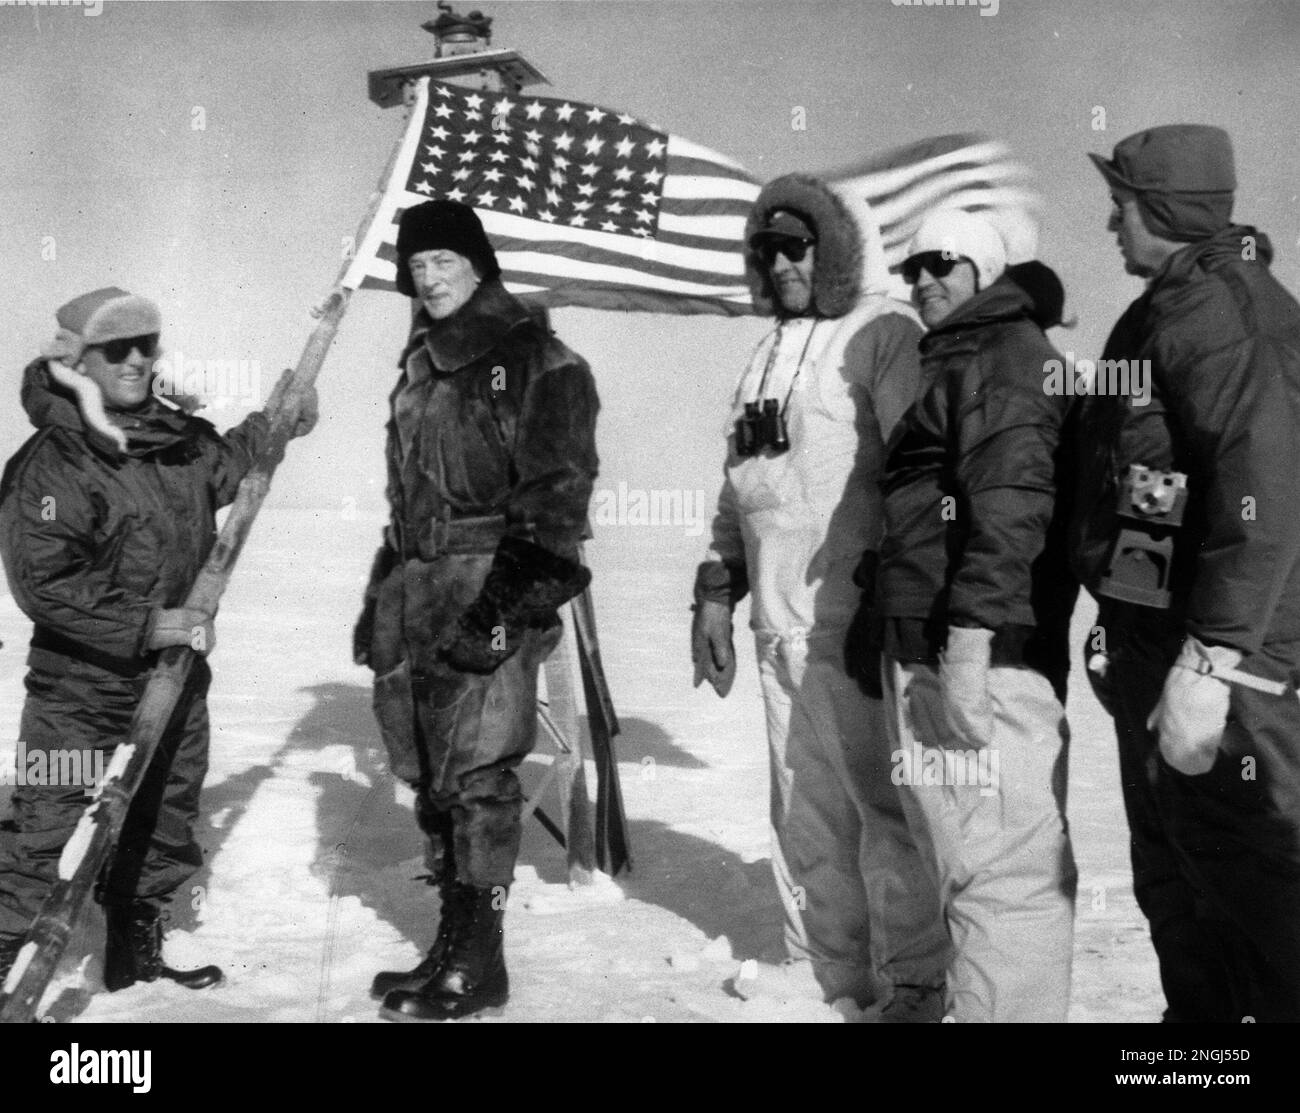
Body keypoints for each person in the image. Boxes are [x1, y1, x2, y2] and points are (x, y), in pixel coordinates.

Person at [0, 286, 316, 992]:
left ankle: (133, 954)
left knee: (163, 812)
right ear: (79, 359)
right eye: (119, 348)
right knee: (43, 830)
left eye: (148, 343)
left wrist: (281, 422)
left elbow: (229, 462)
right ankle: (1, 959)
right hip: (78, 688)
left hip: (174, 678)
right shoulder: (54, 462)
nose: (139, 359)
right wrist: (144, 623)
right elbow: (44, 582)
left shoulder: (175, 439)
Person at [692, 173, 947, 1014]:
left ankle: (913, 982)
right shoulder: (762, 354)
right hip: (778, 628)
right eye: (766, 250)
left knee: (885, 810)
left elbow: (925, 464)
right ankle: (832, 978)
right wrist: (714, 592)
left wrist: (897, 588)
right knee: (805, 813)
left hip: (857, 622)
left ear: (831, 249)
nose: (781, 263)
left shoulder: (882, 334)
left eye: (796, 246)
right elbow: (742, 486)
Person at [1072, 124, 1300, 1022]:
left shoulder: (1227, 313)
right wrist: (1122, 617)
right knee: (1178, 875)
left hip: (1231, 662)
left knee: (1256, 881)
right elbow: (1154, 485)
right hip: (1158, 643)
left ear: (1162, 209)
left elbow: (1266, 497)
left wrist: (1215, 659)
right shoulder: (1164, 308)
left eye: (1121, 203)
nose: (1109, 223)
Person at [354, 200, 599, 1022]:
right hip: (418, 588)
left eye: (445, 261)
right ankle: (449, 945)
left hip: (488, 581)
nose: (429, 277)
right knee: (430, 779)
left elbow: (557, 516)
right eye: (416, 265)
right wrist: (379, 600)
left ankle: (480, 964)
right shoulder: (420, 366)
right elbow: (405, 499)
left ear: (479, 264)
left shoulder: (538, 361)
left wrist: (500, 614)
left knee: (482, 777)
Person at [869, 210, 1078, 1021]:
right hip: (932, 639)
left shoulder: (1003, 358)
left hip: (980, 655)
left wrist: (972, 637)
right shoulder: (960, 358)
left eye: (942, 262)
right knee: (963, 858)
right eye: (913, 264)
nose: (922, 278)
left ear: (985, 271)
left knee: (1002, 873)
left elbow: (1011, 508)